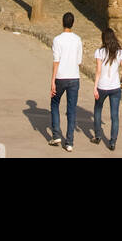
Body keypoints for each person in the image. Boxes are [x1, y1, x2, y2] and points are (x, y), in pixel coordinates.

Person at [49, 11, 82, 151]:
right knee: (71, 110)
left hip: (61, 77)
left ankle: (56, 134)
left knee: (55, 104)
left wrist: (52, 81)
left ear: (63, 23)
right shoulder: (78, 40)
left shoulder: (57, 40)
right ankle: (69, 142)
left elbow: (56, 61)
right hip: (74, 77)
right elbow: (79, 61)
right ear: (73, 23)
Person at [91, 27, 122, 151]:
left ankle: (98, 136)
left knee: (98, 110)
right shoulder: (120, 52)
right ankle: (112, 142)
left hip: (102, 86)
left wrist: (95, 87)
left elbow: (98, 71)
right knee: (114, 115)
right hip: (115, 87)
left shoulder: (100, 52)